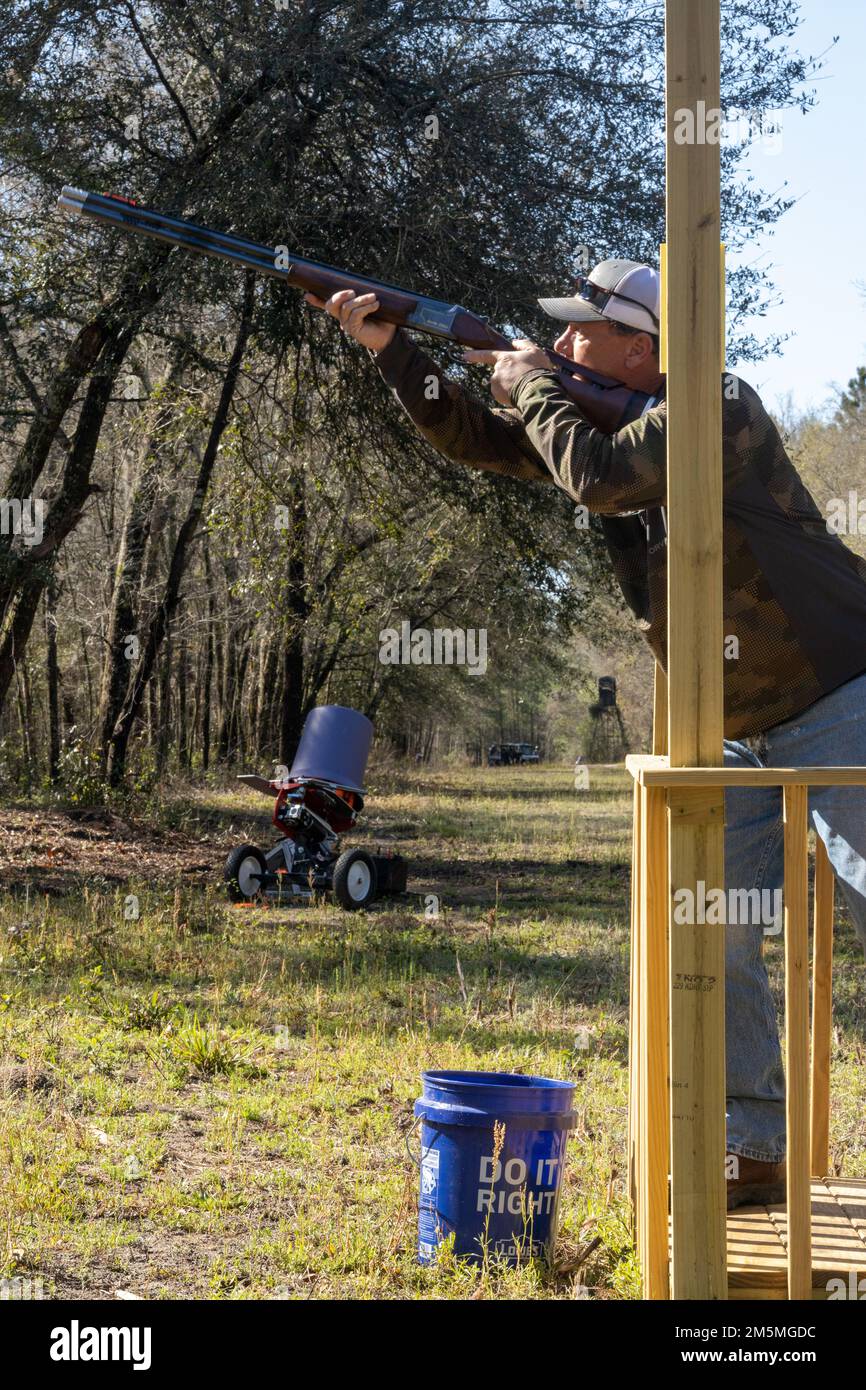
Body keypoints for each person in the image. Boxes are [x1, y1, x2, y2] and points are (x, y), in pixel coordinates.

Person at [305, 262, 866, 1209]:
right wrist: (394, 350)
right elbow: (480, 441)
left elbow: (603, 483)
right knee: (722, 938)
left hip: (843, 691)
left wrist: (529, 383)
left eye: (579, 335)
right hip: (725, 729)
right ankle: (753, 1150)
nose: (560, 345)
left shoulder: (717, 405)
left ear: (642, 348)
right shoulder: (593, 416)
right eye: (555, 339)